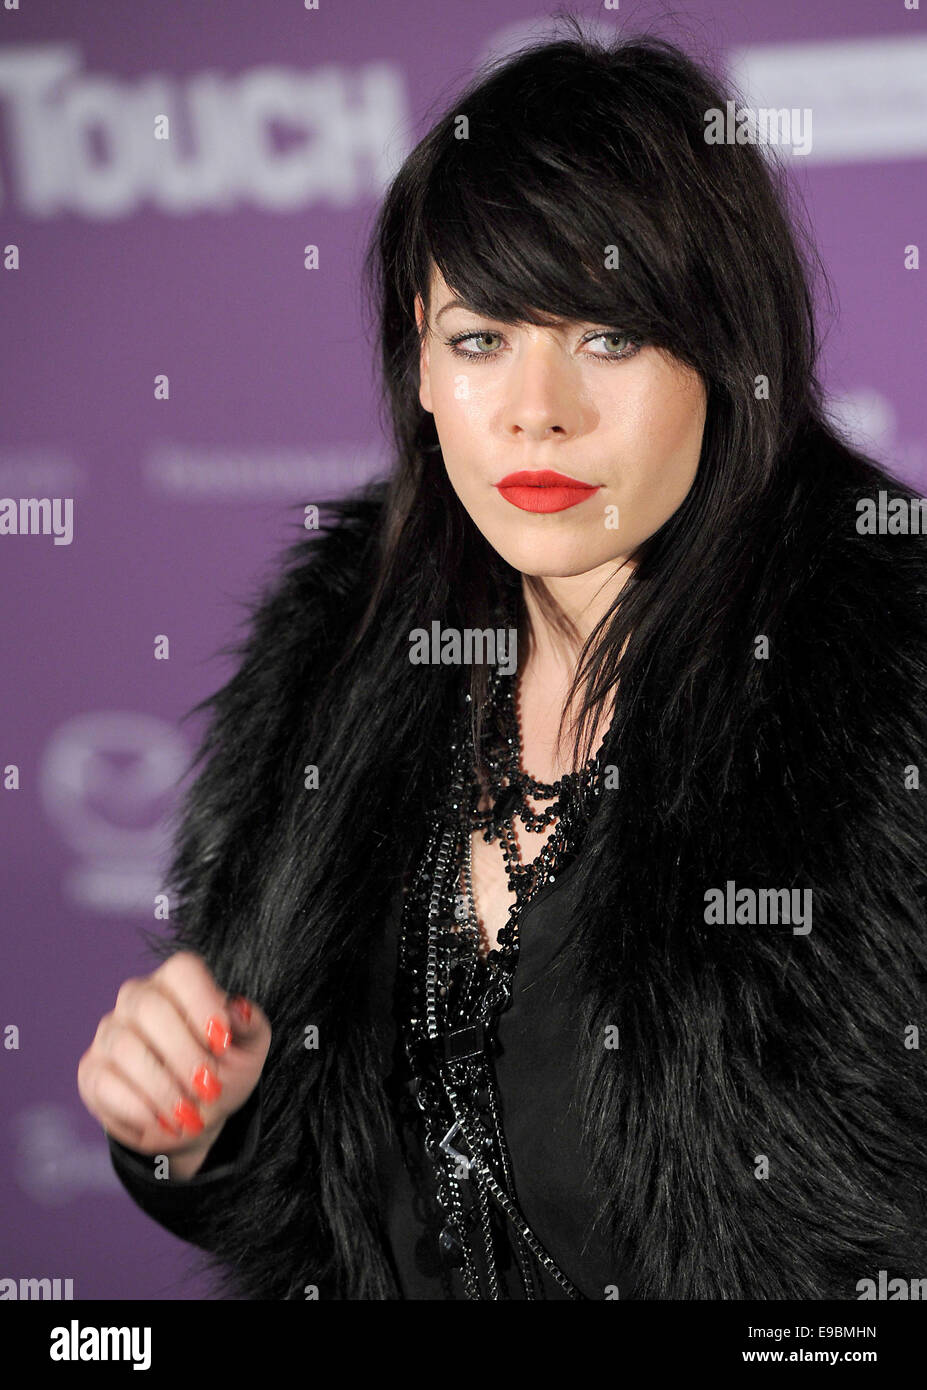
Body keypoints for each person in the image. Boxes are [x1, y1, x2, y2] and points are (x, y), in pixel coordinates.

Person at [77, 25, 927, 1300]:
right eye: (482, 340)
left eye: (606, 338)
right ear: (421, 356)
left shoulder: (881, 689)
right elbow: (334, 1219)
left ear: (727, 350)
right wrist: (197, 1131)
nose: (538, 409)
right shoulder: (342, 659)